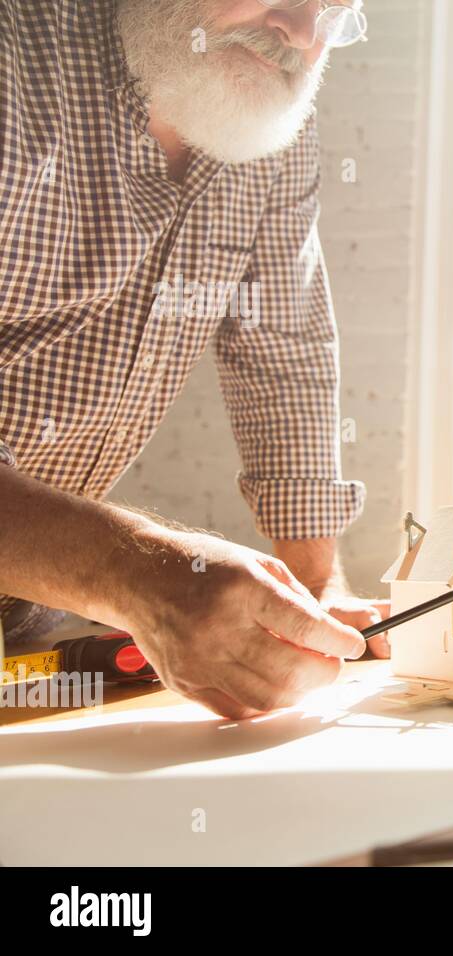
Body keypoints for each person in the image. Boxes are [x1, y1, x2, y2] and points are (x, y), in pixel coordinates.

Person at [0, 0, 384, 719]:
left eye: (335, 12)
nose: (302, 34)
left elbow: (283, 350)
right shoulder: (15, 56)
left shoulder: (272, 130)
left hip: (23, 606)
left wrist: (317, 585)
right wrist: (128, 568)